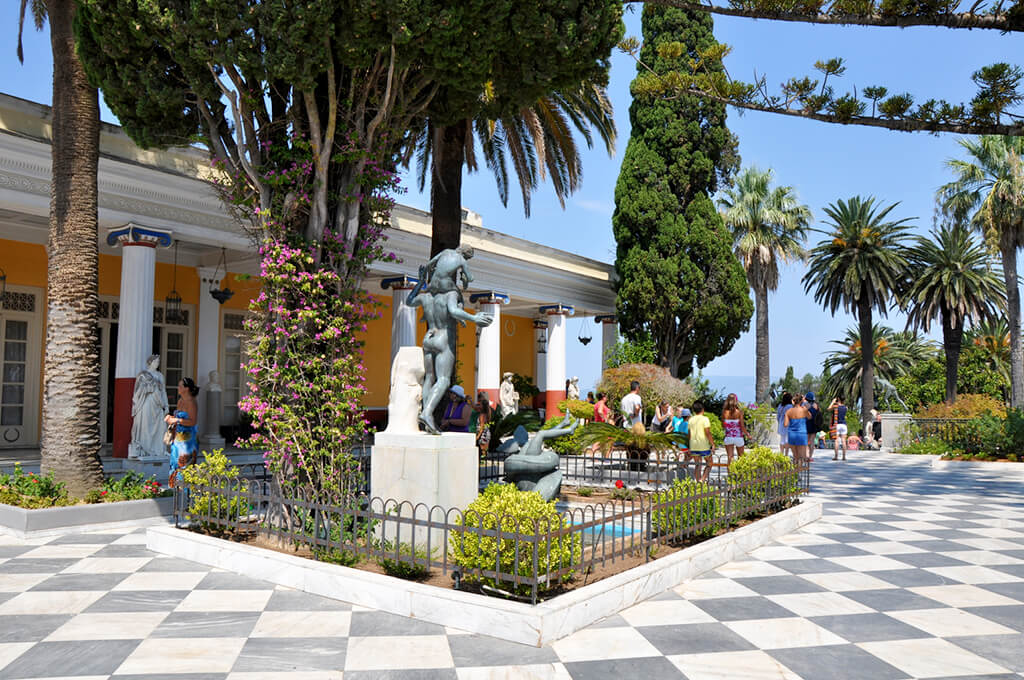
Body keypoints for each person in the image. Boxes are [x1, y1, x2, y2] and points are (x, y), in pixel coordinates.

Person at [406, 246, 493, 433]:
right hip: (443, 338)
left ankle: (426, 415)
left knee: (430, 377)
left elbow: (409, 301)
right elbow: (453, 311)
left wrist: (420, 282)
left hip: (428, 338)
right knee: (444, 380)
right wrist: (474, 318)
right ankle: (427, 413)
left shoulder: (426, 297)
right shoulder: (451, 294)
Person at [130, 354, 169, 459]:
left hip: (158, 404)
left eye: (158, 362)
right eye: (155, 361)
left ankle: (158, 450)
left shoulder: (160, 375)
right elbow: (137, 392)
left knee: (160, 427)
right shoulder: (143, 375)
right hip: (146, 403)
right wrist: (147, 388)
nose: (157, 364)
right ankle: (145, 450)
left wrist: (166, 405)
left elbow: (163, 391)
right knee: (146, 427)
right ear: (150, 362)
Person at [166, 377, 199, 488]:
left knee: (184, 464)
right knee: (174, 463)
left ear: (187, 388)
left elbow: (193, 422)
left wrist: (177, 420)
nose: (178, 388)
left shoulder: (191, 402)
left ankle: (185, 490)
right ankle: (174, 489)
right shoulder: (180, 401)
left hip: (188, 439)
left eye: (180, 386)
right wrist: (171, 419)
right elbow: (178, 417)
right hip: (178, 437)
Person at [688, 403, 714, 483]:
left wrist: (689, 445)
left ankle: (698, 481)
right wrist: (712, 443)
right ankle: (702, 480)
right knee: (709, 463)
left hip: (693, 445)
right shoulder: (705, 419)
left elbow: (689, 434)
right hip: (703, 445)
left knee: (698, 464)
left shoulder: (691, 420)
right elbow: (707, 432)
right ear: (702, 409)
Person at [721, 393, 748, 464]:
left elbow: (723, 425)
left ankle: (730, 471)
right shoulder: (739, 412)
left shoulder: (724, 412)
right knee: (741, 457)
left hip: (728, 437)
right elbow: (742, 426)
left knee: (730, 457)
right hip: (738, 437)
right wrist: (748, 435)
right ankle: (739, 471)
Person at [784, 393, 810, 465]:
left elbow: (785, 424)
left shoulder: (788, 411)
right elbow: (810, 416)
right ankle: (799, 470)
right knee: (801, 456)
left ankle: (796, 470)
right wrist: (806, 405)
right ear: (801, 401)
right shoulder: (803, 410)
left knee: (795, 456)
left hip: (792, 434)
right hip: (801, 433)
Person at [472, 392, 492, 457]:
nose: (478, 405)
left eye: (480, 404)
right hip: (486, 433)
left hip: (483, 435)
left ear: (482, 406)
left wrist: (477, 437)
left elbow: (481, 427)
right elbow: (474, 407)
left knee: (482, 451)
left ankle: (482, 461)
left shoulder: (482, 415)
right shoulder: (487, 413)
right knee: (484, 451)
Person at [829, 395, 849, 461]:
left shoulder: (835, 406)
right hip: (844, 425)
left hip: (837, 425)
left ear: (838, 399)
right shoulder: (846, 407)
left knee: (836, 441)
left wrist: (833, 402)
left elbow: (828, 408)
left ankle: (836, 456)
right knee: (843, 441)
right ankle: (844, 457)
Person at [804, 392, 822, 459]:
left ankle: (806, 455)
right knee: (812, 441)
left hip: (807, 424)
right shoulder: (816, 405)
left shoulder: (806, 405)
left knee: (806, 441)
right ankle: (810, 457)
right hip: (814, 424)